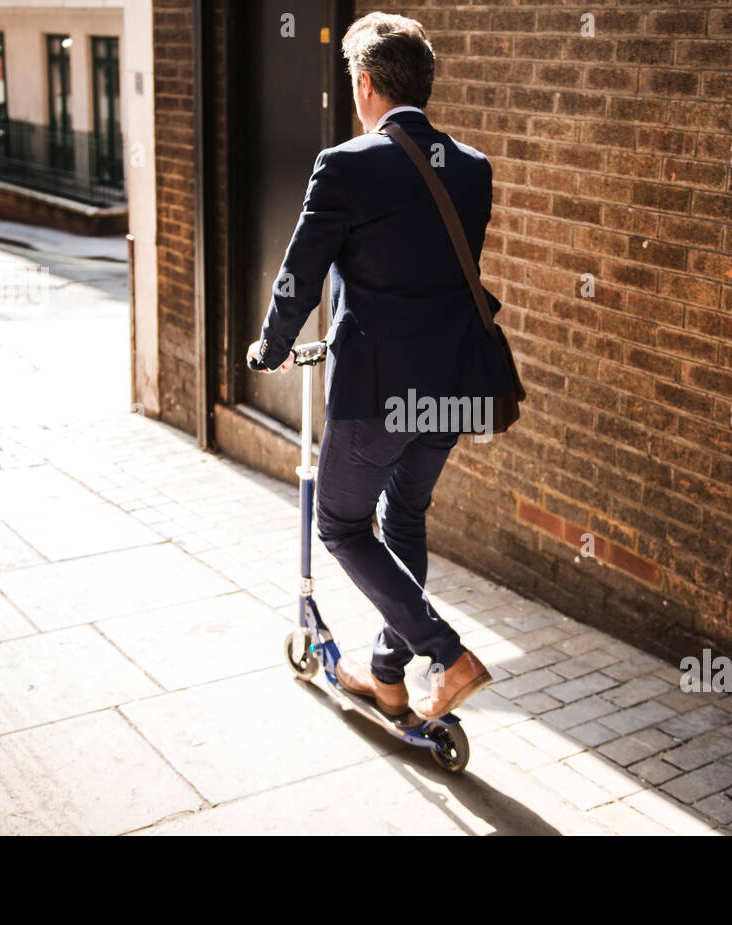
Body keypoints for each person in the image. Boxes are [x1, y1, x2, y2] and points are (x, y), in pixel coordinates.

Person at [247, 12, 512, 720]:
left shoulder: (346, 165)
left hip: (376, 393)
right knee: (405, 519)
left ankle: (446, 654)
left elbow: (297, 277)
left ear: (364, 84)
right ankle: (389, 675)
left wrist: (268, 349)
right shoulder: (475, 168)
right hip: (453, 388)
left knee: (340, 524)